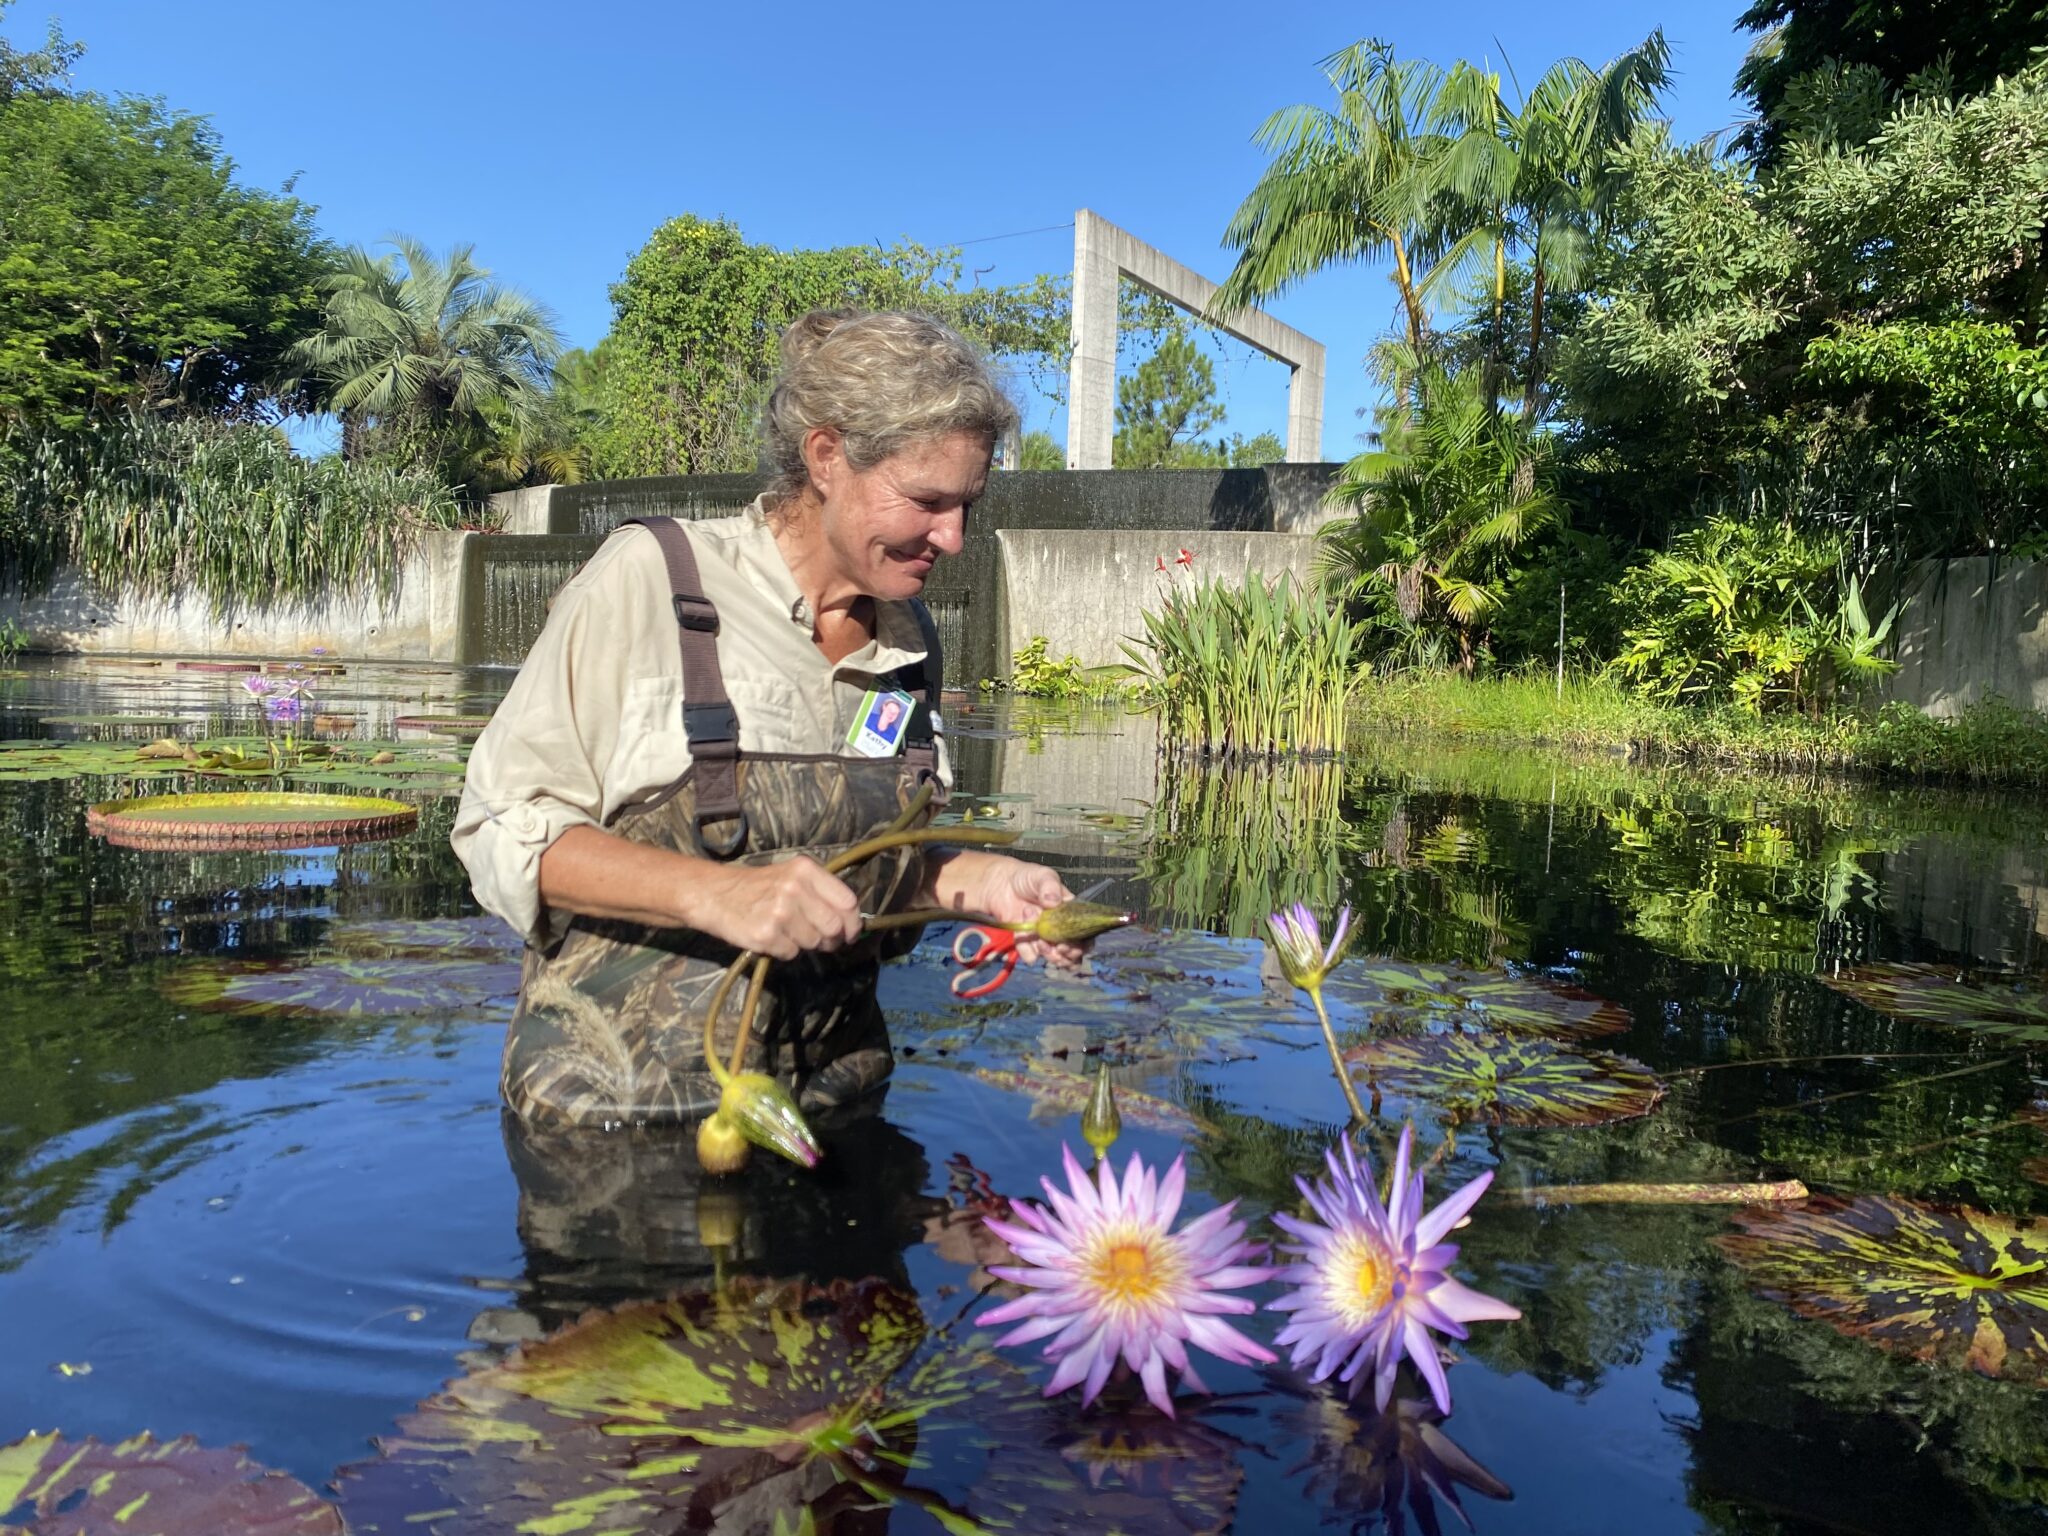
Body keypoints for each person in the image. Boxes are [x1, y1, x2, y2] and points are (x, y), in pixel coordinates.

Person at [453, 309, 1084, 1127]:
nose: (954, 538)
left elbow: (865, 871)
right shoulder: (656, 580)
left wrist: (982, 882)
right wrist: (711, 893)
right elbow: (500, 824)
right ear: (826, 456)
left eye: (967, 503)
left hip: (833, 1111)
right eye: (927, 500)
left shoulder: (911, 641)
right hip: (616, 1121)